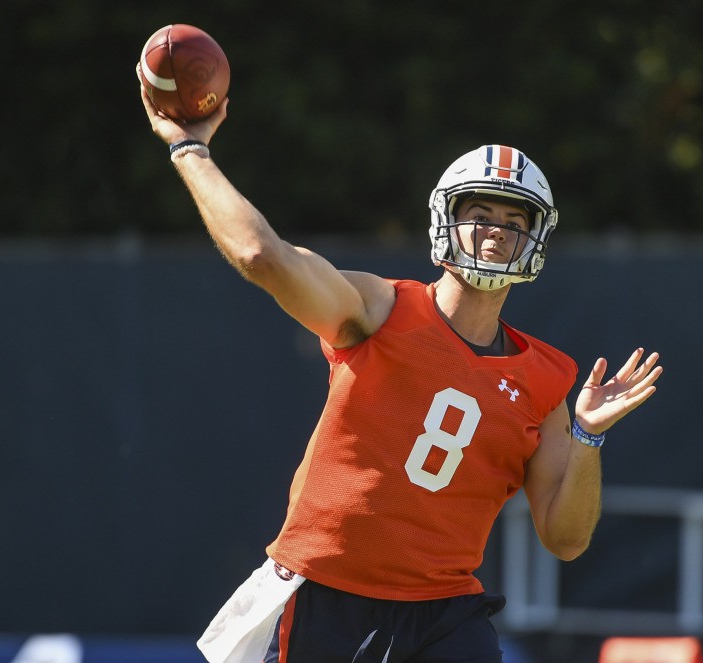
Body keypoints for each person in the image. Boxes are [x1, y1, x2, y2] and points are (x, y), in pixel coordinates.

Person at [137, 72, 664, 663]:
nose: (494, 232)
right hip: (327, 596)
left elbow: (565, 540)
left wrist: (588, 437)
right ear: (446, 217)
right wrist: (190, 149)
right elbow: (261, 255)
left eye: (513, 220)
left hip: (445, 613)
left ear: (535, 237)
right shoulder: (379, 308)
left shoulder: (545, 379)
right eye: (480, 212)